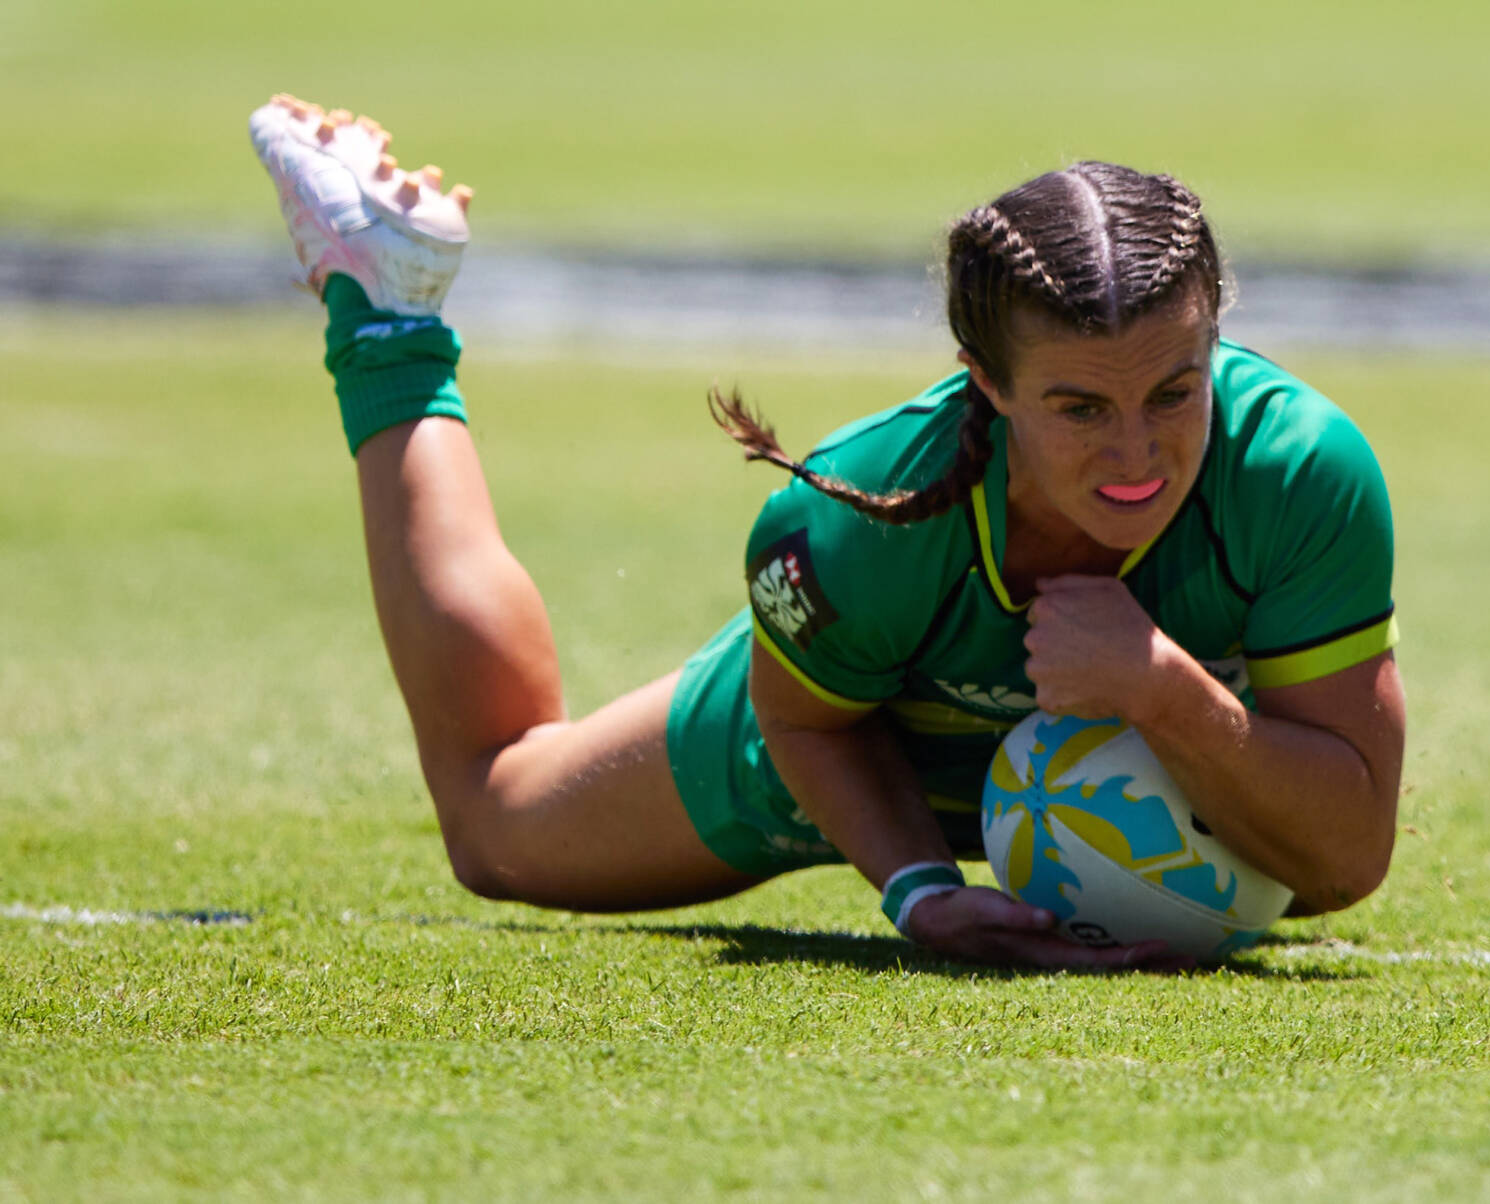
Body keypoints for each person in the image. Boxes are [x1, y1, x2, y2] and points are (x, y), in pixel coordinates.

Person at [249, 94, 1408, 971]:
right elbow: (801, 714)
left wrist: (1158, 688)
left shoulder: (1298, 468)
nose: (1137, 453)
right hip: (856, 736)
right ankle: (390, 317)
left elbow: (1343, 857)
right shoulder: (853, 517)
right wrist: (915, 888)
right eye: (1078, 408)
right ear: (987, 385)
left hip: (1143, 748)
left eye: (1173, 390)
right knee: (496, 824)